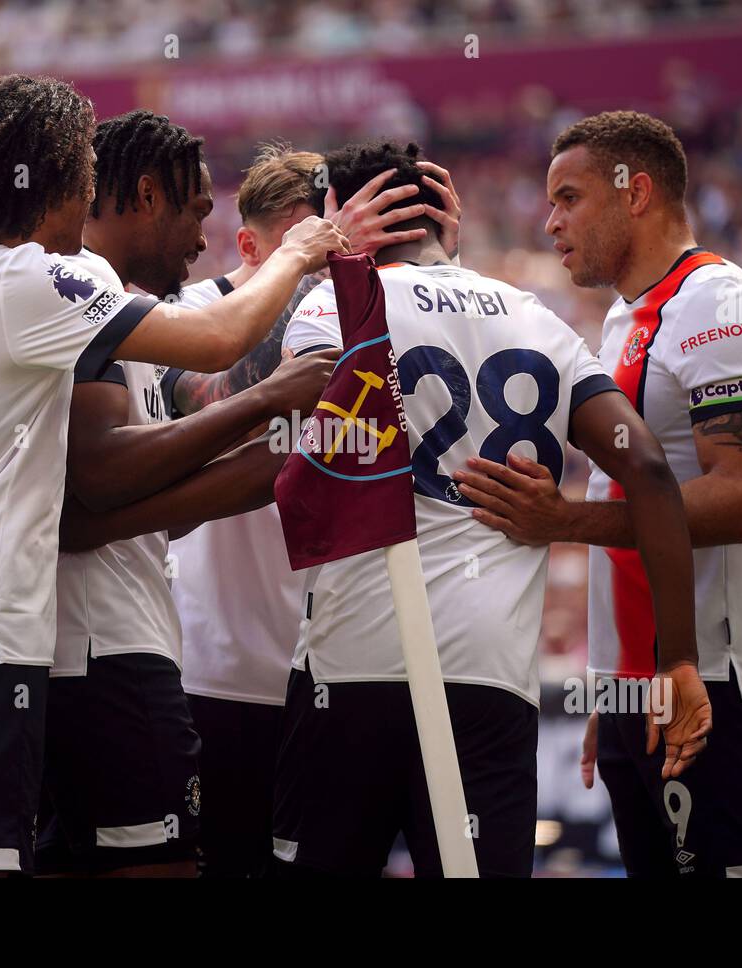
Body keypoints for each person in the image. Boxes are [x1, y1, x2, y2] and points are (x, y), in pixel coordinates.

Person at [0, 85, 343, 876]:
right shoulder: (25, 284)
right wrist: (297, 252)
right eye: (81, 172)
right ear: (41, 177)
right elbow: (219, 338)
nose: (88, 196)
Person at [273, 139, 710, 878]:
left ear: (341, 217)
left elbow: (283, 432)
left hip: (353, 666)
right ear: (445, 220)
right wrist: (678, 659)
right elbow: (647, 468)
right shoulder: (533, 316)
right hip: (489, 676)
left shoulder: (330, 303)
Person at [457, 110, 742, 877]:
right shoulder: (624, 316)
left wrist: (565, 520)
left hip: (724, 685)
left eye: (569, 198)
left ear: (636, 192)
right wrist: (616, 679)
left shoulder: (721, 306)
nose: (549, 221)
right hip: (639, 692)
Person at [36, 112, 344, 877]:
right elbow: (98, 487)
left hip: (120, 646)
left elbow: (137, 501)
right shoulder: (94, 292)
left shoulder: (116, 305)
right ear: (145, 193)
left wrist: (270, 462)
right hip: (115, 654)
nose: (200, 232)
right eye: (196, 210)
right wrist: (271, 398)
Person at [166, 142, 462, 877]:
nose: (328, 258)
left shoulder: (366, 304)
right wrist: (312, 277)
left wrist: (437, 271)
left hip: (341, 672)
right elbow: (206, 396)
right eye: (311, 240)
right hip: (220, 674)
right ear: (251, 245)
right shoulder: (198, 311)